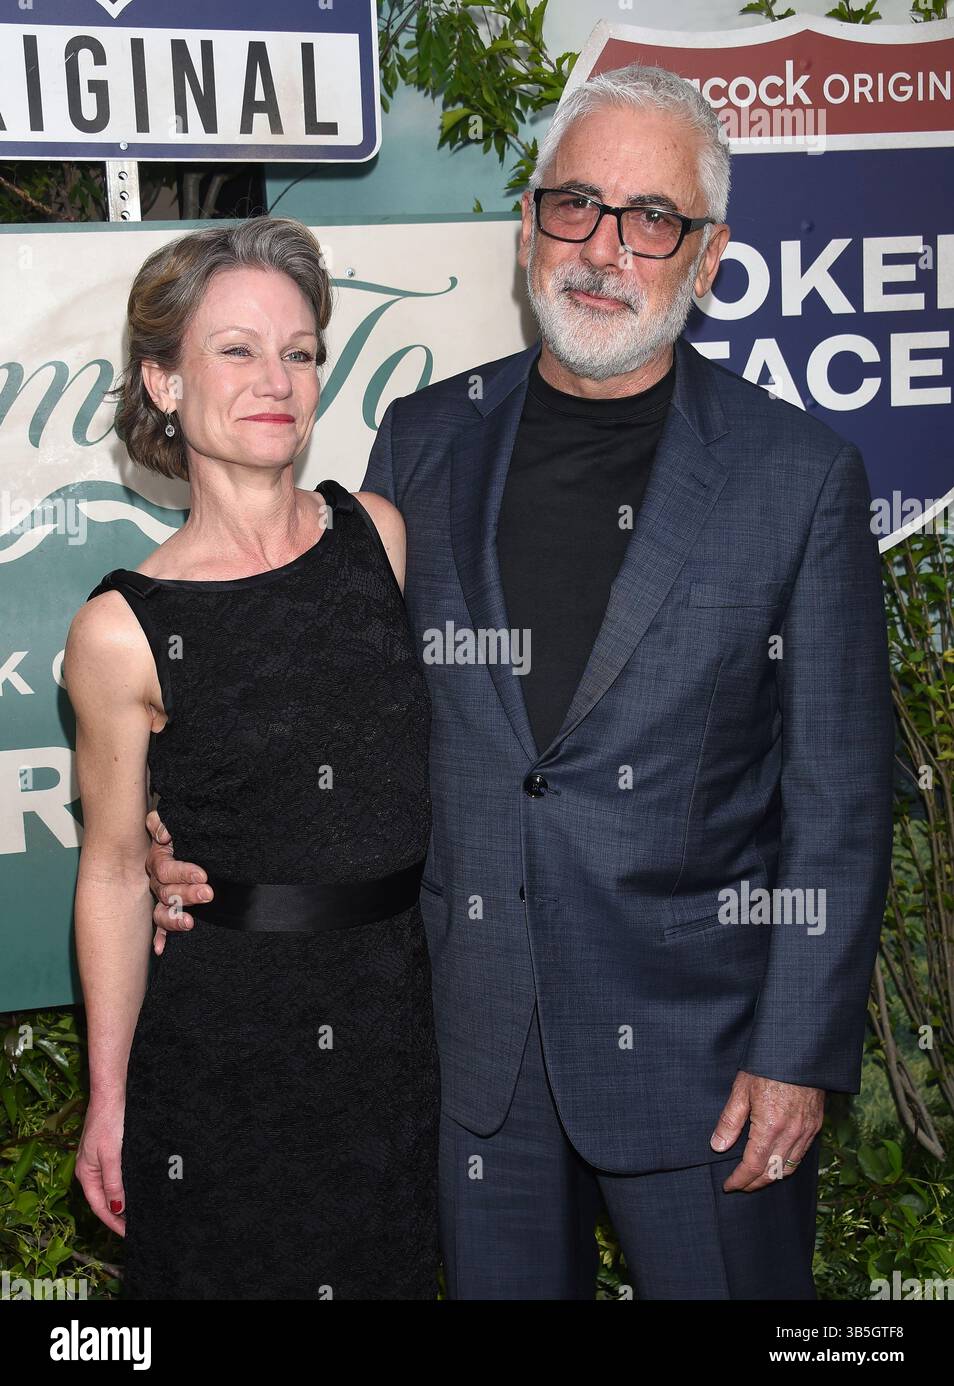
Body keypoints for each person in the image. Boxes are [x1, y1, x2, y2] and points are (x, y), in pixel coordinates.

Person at [145, 65, 894, 1299]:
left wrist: (798, 1053)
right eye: (574, 206)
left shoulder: (795, 476)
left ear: (708, 259)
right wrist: (187, 845)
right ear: (528, 224)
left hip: (707, 1070)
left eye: (650, 219)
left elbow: (841, 798)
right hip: (464, 1056)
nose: (603, 248)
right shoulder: (424, 442)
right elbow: (334, 715)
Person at [66, 216, 439, 1300]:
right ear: (165, 384)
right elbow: (114, 869)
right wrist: (109, 1092)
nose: (276, 378)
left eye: (300, 350)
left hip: (395, 1027)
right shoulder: (121, 630)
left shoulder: (378, 536)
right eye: (235, 350)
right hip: (225, 1048)